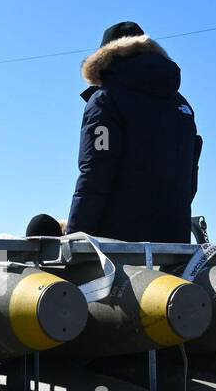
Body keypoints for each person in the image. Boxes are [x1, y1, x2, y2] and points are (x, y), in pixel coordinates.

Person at [66, 21, 201, 243]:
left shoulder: (105, 101)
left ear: (104, 57)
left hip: (116, 244)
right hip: (173, 242)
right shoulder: (181, 106)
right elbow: (190, 179)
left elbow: (95, 172)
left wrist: (76, 237)